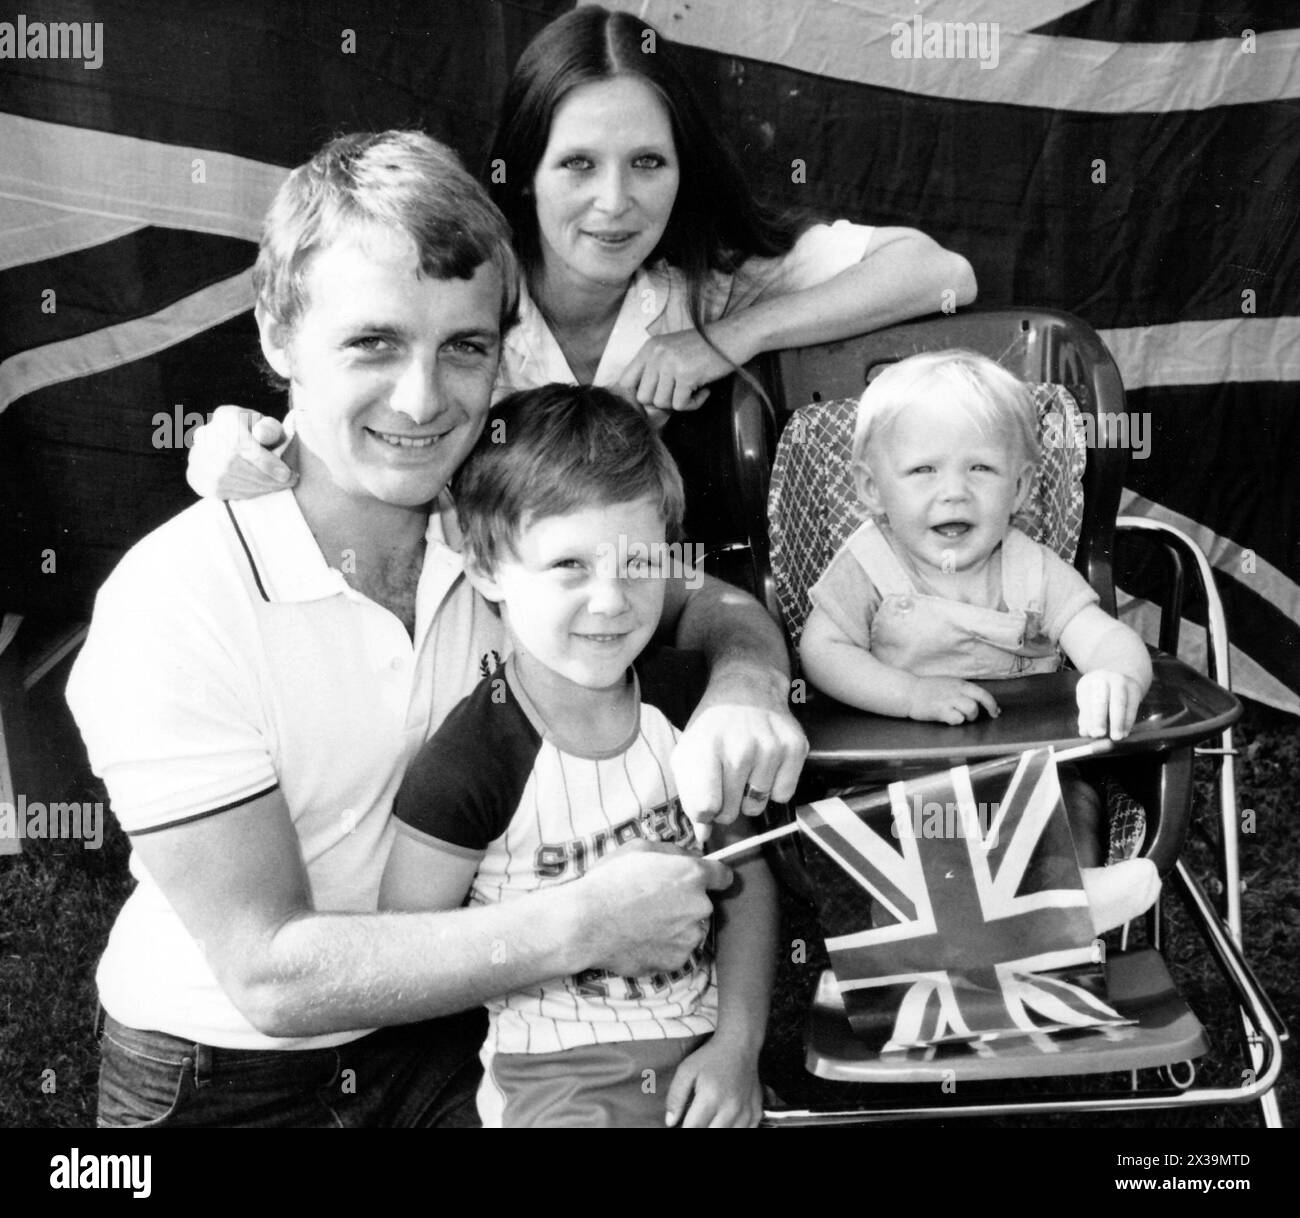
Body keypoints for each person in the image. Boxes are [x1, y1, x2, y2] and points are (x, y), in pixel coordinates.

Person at [67, 130, 804, 1128]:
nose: (422, 399)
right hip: (232, 1072)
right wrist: (581, 926)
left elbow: (706, 605)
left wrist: (745, 688)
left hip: (463, 1025)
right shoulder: (173, 602)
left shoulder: (497, 534)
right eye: (373, 343)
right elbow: (274, 974)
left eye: (463, 347)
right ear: (279, 336)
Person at [184, 4, 977, 494]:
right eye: (577, 164)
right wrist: (231, 448)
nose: (615, 202)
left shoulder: (701, 280)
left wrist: (725, 339)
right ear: (523, 172)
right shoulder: (459, 285)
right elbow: (326, 430)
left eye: (647, 163)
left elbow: (942, 274)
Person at [381, 385, 777, 1128]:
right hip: (558, 1080)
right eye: (569, 565)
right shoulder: (471, 762)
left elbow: (745, 878)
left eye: (639, 564)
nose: (610, 601)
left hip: (703, 1052)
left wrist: (739, 1045)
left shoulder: (689, 709)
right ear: (488, 570)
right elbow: (408, 953)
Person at [797, 350, 1155, 882]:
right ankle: (916, 941)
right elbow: (821, 653)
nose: (954, 491)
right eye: (922, 470)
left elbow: (1105, 638)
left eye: (981, 468)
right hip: (896, 776)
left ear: (1022, 486)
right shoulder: (867, 566)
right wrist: (910, 695)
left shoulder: (1032, 570)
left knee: (1070, 806)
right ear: (872, 488)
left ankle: (1072, 901)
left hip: (1028, 770)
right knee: (896, 846)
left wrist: (1114, 675)